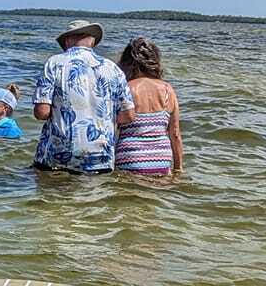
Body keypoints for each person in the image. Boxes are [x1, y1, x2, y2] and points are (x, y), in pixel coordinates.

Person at [32, 19, 133, 173]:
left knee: (53, 196)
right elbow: (128, 115)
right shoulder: (113, 68)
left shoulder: (54, 63)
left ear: (67, 41)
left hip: (58, 154)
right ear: (92, 41)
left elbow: (41, 112)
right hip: (101, 155)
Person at [114, 37, 184, 175]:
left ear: (128, 63)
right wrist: (178, 169)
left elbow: (112, 129)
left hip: (130, 157)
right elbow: (175, 134)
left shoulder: (126, 88)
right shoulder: (167, 89)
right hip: (161, 159)